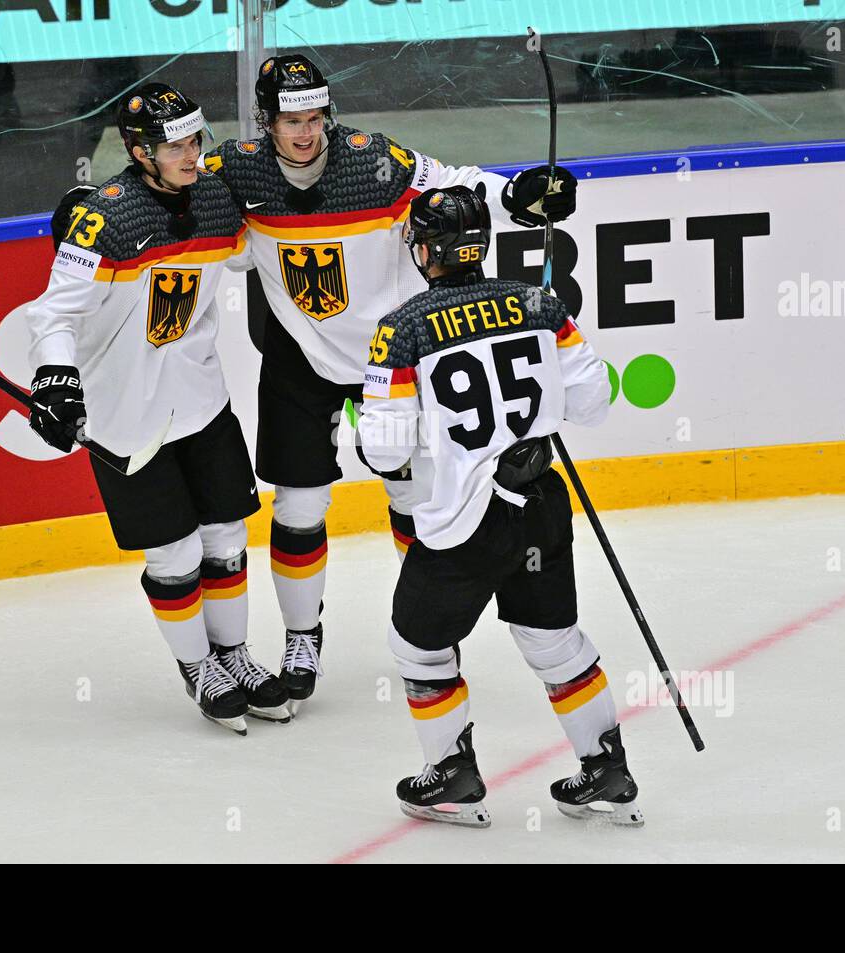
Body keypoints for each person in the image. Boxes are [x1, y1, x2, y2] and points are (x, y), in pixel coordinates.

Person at [202, 54, 577, 714]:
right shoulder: (237, 172)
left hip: (396, 349)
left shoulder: (374, 160)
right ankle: (301, 635)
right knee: (298, 506)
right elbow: (172, 195)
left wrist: (519, 194)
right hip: (301, 353)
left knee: (415, 492)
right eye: (292, 120)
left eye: (316, 117)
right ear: (267, 121)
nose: (306, 132)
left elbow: (456, 187)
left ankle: (424, 621)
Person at [357, 185, 643, 828]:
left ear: (425, 250)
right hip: (541, 502)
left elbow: (385, 451)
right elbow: (593, 403)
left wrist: (366, 432)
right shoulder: (541, 303)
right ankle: (607, 767)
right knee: (555, 642)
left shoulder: (401, 329)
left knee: (418, 647)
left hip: (464, 517)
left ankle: (453, 776)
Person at [24, 83, 288, 735]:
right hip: (129, 420)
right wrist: (55, 374)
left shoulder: (213, 201)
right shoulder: (105, 216)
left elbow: (253, 252)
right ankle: (198, 665)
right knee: (172, 554)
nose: (192, 154)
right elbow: (53, 311)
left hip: (202, 401)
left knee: (226, 539)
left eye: (196, 140)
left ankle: (235, 656)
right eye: (176, 146)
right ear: (141, 151)